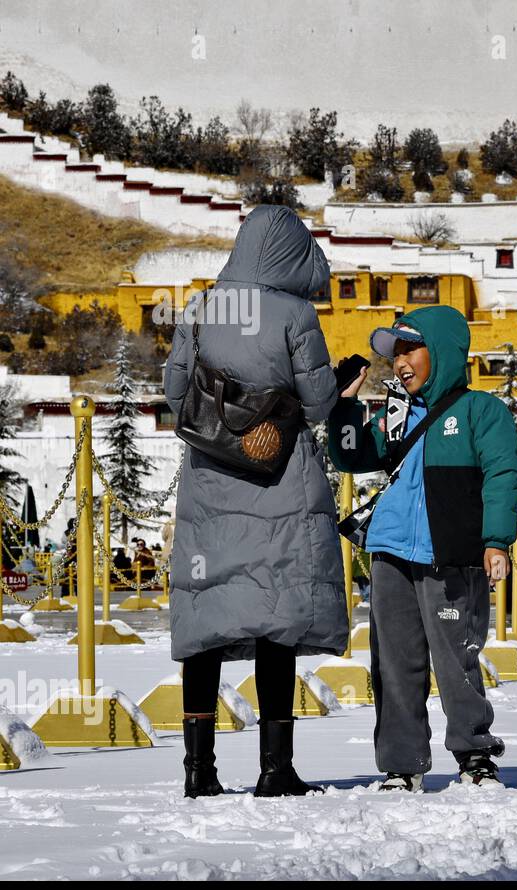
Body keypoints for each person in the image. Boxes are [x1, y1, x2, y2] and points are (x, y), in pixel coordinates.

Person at [164, 204, 347, 799]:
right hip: (278, 483)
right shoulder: (296, 313)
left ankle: (200, 771)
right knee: (276, 619)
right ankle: (275, 769)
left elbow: (174, 393)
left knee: (206, 620)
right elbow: (318, 405)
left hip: (210, 481)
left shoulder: (200, 306)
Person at [328, 304, 517, 791]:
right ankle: (402, 764)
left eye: (410, 349)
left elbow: (504, 475)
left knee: (456, 658)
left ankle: (474, 755)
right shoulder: (396, 413)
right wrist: (345, 406)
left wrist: (496, 541)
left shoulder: (482, 411)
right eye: (395, 353)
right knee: (393, 663)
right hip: (391, 551)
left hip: (450, 555)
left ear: (440, 351)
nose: (400, 362)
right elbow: (354, 454)